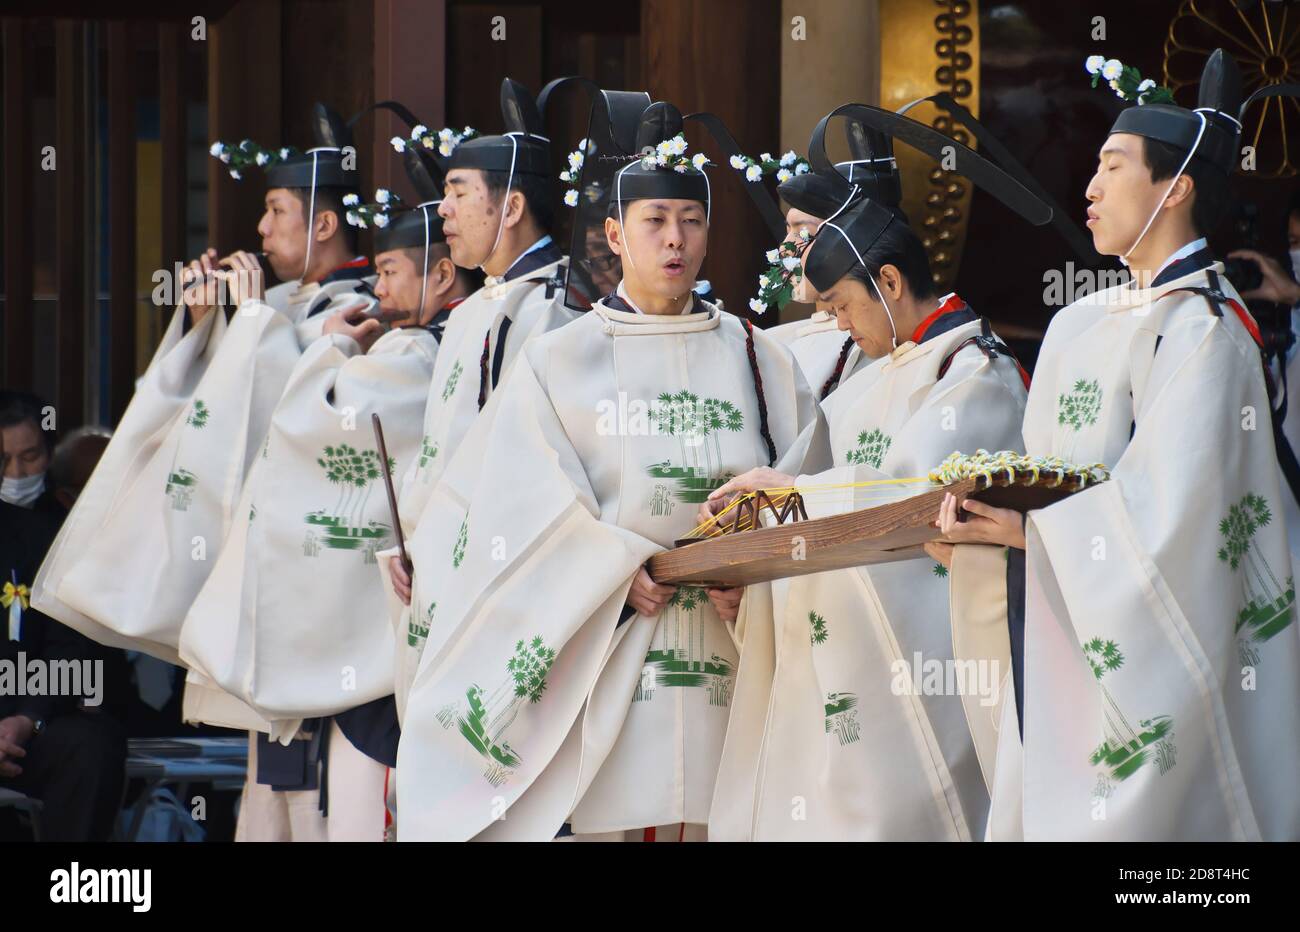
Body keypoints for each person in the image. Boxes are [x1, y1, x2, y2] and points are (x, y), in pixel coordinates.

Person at [394, 98, 819, 841]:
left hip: (736, 643)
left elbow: (811, 483)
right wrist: (615, 567)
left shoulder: (759, 356)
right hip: (615, 642)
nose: (675, 240)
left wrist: (755, 571)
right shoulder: (562, 358)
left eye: (691, 221)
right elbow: (516, 505)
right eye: (654, 222)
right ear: (616, 235)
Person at [935, 49, 1300, 840]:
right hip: (1058, 618)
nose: (1090, 190)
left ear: (1177, 188)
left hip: (1143, 645)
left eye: (1111, 167)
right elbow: (1040, 474)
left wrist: (1029, 534)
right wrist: (989, 536)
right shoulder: (1080, 322)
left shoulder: (1205, 330)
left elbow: (1180, 524)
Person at [704, 102, 1051, 840]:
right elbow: (796, 487)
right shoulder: (867, 376)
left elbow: (915, 494)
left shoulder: (974, 373)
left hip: (918, 658)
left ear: (889, 281)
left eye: (842, 304)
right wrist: (743, 555)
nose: (837, 324)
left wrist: (787, 497)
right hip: (839, 652)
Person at [177, 117, 478, 843]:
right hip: (336, 604)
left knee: (345, 815)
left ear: (439, 273)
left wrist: (308, 341)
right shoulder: (388, 330)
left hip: (377, 620)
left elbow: (312, 418)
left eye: (391, 273)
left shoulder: (424, 346)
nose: (375, 290)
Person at [382, 79, 586, 666]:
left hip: (511, 571)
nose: (442, 209)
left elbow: (537, 458)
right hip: (444, 559)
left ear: (512, 206)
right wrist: (414, 541)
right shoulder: (475, 308)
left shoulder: (560, 304)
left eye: (457, 192)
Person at [1, 425, 125, 841]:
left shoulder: (39, 538)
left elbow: (68, 647)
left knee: (90, 744)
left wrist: (26, 718)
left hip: (19, 725)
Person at [0, 392, 60, 518]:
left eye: (29, 457)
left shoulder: (70, 521)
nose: (15, 473)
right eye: (2, 459)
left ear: (51, 454)